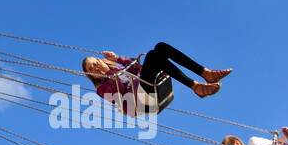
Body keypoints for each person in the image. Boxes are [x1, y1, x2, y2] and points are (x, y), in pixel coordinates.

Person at [82, 43, 231, 115]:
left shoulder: (119, 69)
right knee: (152, 56)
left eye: (95, 62)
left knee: (160, 48)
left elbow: (138, 68)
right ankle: (196, 86)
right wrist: (109, 73)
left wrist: (117, 59)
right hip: (138, 100)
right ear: (92, 76)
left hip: (147, 85)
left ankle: (205, 74)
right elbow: (119, 92)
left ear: (101, 60)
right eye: (91, 69)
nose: (95, 67)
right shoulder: (101, 89)